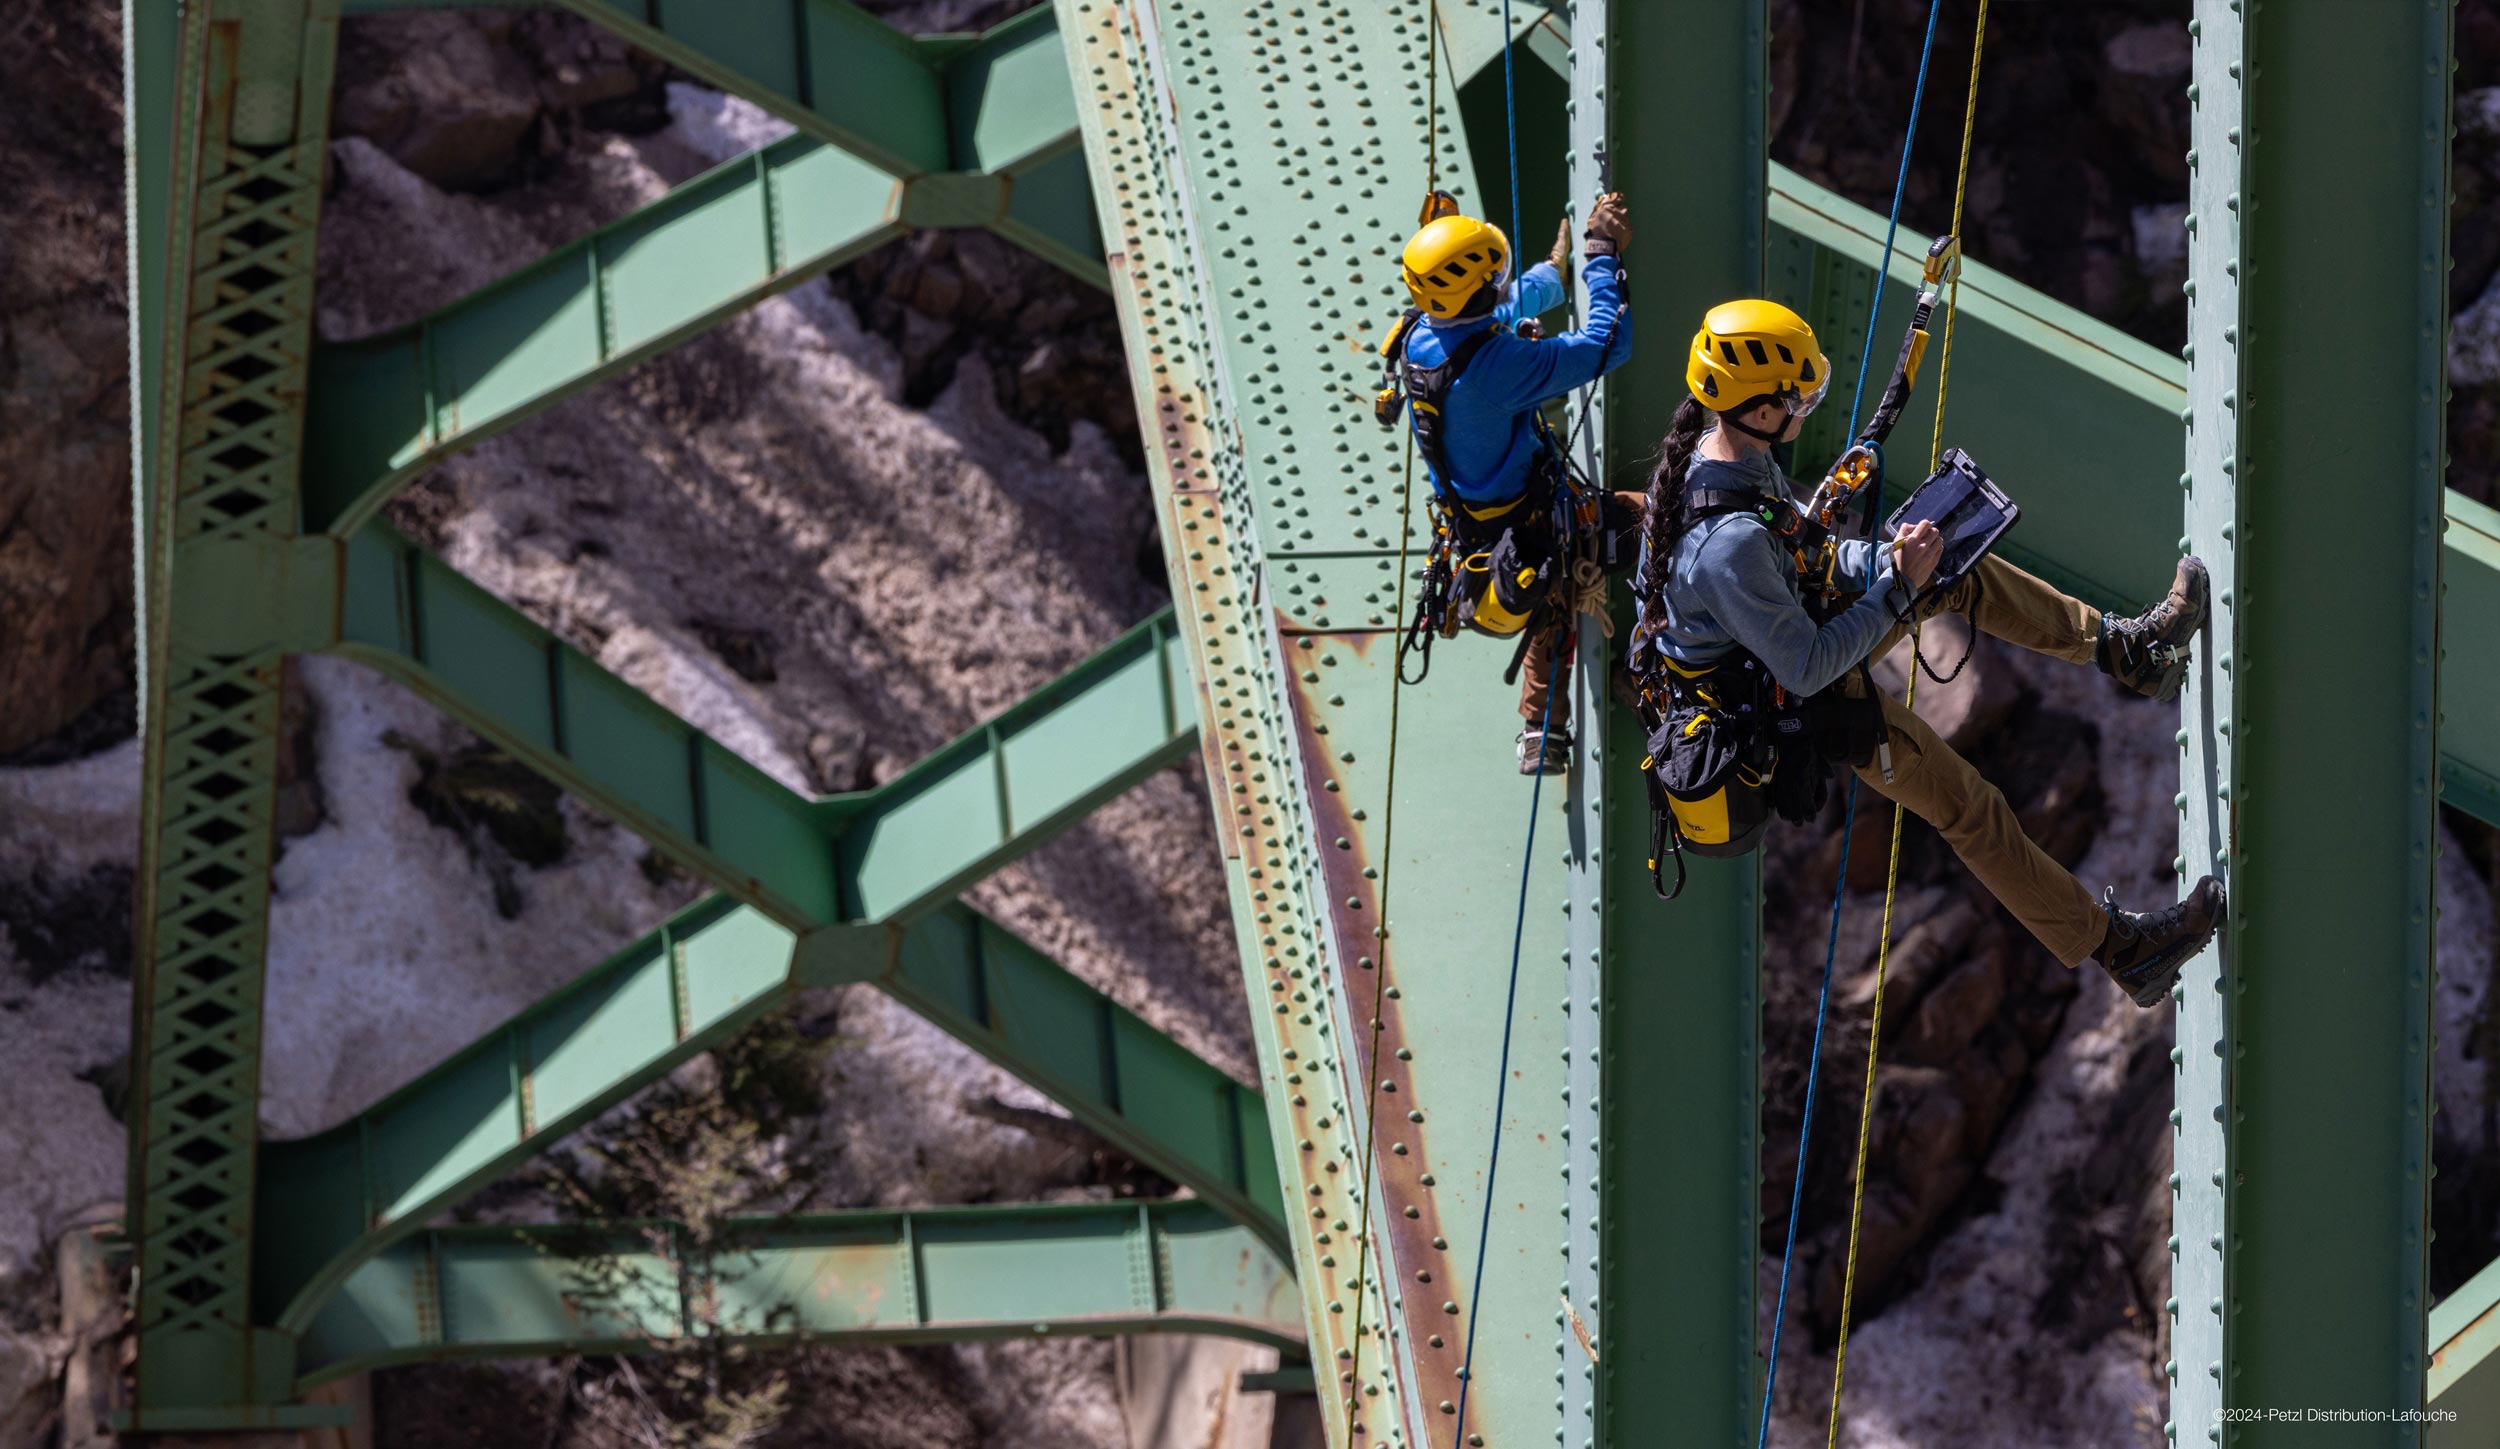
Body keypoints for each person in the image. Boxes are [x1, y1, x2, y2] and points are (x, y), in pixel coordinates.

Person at [1630, 299, 2225, 1005]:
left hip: (1779, 659)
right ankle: (2124, 952)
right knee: (1970, 807)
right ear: (1758, 410)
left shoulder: (1732, 454)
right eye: (1799, 398)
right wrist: (1895, 589)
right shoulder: (1724, 547)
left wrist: (1891, 559)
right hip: (1791, 704)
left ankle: (2129, 650)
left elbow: (1803, 550)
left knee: (1952, 566)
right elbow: (1811, 665)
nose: (1807, 408)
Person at [1395, 192, 1637, 774]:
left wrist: (1547, 280)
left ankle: (1543, 730)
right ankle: (1659, 661)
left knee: (1549, 603)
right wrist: (1600, 255)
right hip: (1529, 516)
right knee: (1662, 519)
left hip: (1480, 526)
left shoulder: (1418, 337)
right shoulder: (1500, 371)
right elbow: (1609, 342)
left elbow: (1485, 321)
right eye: (1493, 277)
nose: (1499, 284)